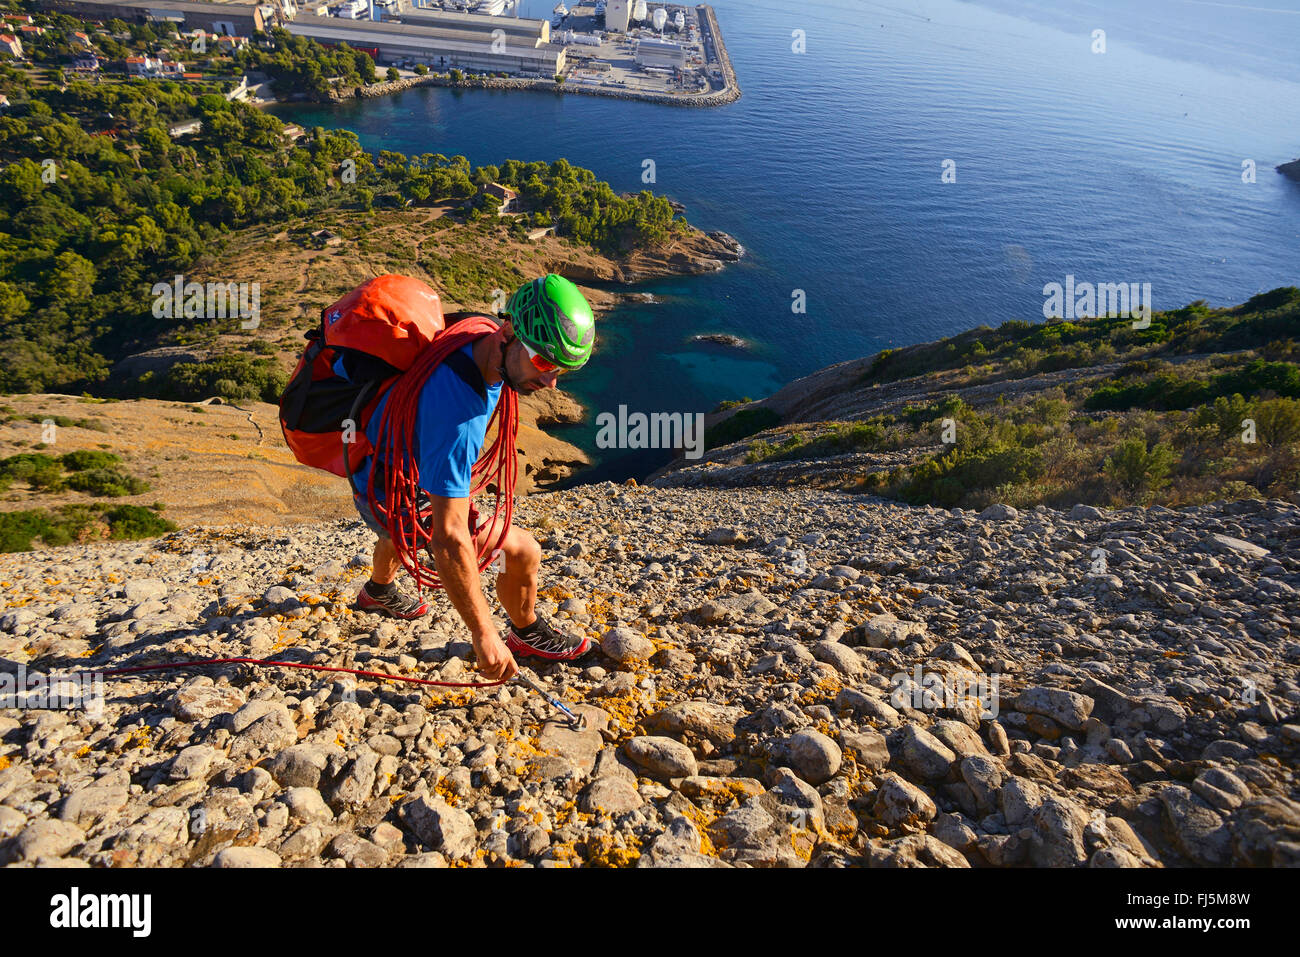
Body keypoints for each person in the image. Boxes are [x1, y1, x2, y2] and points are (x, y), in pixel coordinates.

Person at [348, 274, 597, 681]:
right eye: (544, 362)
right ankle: (525, 633)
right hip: (391, 484)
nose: (551, 381)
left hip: (379, 467)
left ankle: (377, 592)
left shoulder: (479, 331)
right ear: (510, 332)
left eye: (562, 370)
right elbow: (448, 536)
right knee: (521, 552)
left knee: (398, 530)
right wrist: (484, 633)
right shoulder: (458, 414)